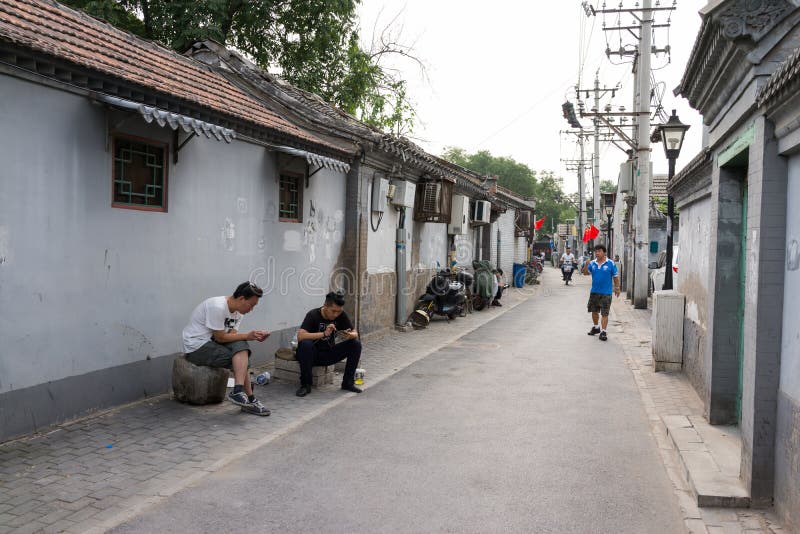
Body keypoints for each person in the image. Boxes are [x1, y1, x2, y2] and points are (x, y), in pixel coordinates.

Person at [182, 281, 271, 416]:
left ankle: (239, 392)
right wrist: (247, 336)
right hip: (196, 346)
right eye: (251, 305)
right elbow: (220, 338)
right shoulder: (217, 307)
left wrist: (254, 336)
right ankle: (249, 399)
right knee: (240, 361)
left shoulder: (239, 313)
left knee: (241, 348)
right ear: (242, 299)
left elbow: (232, 337)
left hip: (214, 343)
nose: (251, 309)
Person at [295, 291, 362, 397]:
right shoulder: (313, 315)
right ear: (325, 305)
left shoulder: (341, 315)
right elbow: (300, 336)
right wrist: (324, 334)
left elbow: (355, 333)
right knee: (305, 344)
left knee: (356, 344)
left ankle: (347, 383)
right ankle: (305, 385)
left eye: (339, 312)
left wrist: (350, 335)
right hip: (310, 355)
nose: (336, 315)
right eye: (333, 311)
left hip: (328, 353)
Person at [581, 244, 621, 341]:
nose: (597, 253)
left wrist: (617, 288)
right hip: (594, 292)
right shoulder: (592, 263)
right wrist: (586, 265)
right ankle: (596, 327)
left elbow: (615, 276)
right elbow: (585, 273)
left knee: (605, 313)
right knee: (594, 311)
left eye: (599, 251)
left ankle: (603, 331)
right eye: (596, 251)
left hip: (606, 293)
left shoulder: (610, 263)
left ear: (604, 252)